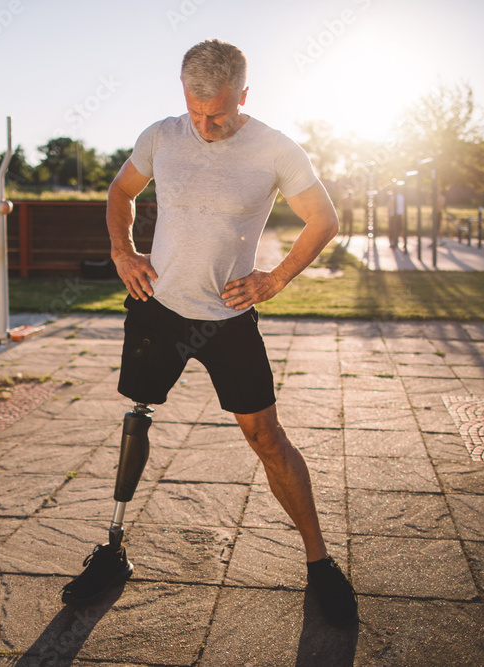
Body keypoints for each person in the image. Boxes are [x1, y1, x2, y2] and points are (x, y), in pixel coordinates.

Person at [60, 39, 358, 628]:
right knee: (136, 417)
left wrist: (273, 280)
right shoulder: (160, 136)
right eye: (194, 111)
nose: (204, 123)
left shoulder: (275, 148)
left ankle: (320, 563)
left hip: (226, 317)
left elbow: (325, 219)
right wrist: (124, 251)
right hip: (157, 306)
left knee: (266, 438)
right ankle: (113, 550)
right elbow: (121, 192)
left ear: (243, 95)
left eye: (217, 113)